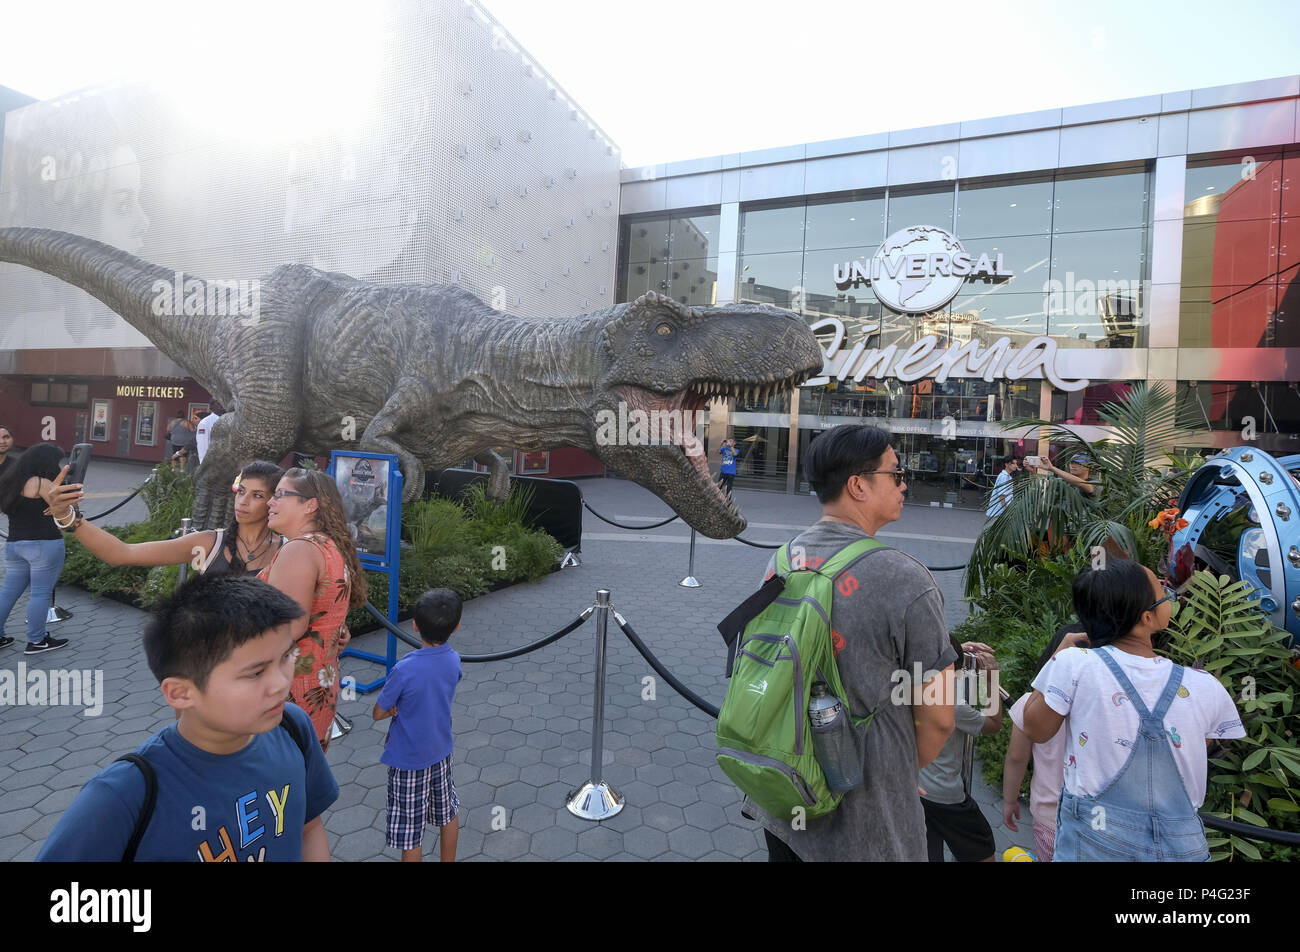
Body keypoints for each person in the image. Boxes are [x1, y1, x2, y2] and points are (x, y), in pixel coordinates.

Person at [747, 424, 956, 862]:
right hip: (866, 824)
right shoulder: (904, 578)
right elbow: (939, 718)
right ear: (858, 485)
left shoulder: (781, 559)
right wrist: (896, 772)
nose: (904, 484)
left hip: (785, 798)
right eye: (896, 474)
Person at [37, 574, 338, 861]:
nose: (281, 684)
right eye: (256, 672)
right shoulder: (124, 795)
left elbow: (309, 829)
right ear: (180, 693)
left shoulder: (292, 728)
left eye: (286, 656)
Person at [1021, 559, 1246, 861]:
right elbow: (1196, 747)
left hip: (1095, 838)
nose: (1169, 593)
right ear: (1146, 618)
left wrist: (1060, 653)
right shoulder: (1203, 686)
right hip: (1180, 845)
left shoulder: (1075, 664)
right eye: (1162, 590)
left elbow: (1035, 728)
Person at [260, 468, 368, 748]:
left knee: (278, 778)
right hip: (318, 683)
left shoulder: (299, 550)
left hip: (289, 688)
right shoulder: (327, 545)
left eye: (280, 495)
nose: (270, 503)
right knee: (301, 775)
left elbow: (288, 628)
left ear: (310, 505)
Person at [41, 460, 286, 578]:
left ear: (273, 501)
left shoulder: (287, 551)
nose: (242, 502)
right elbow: (122, 554)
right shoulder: (209, 543)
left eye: (257, 495)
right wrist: (68, 517)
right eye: (241, 491)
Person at [373, 588, 464, 862]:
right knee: (448, 813)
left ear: (414, 626)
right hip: (441, 751)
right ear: (456, 627)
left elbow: (378, 712)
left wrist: (392, 708)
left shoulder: (404, 668)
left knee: (411, 833)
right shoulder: (454, 660)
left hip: (408, 761)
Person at [1003, 623, 1087, 862]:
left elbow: (1016, 758)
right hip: (1095, 820)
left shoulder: (1030, 704)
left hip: (1049, 815)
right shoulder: (1101, 706)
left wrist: (1009, 800)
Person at [919, 638, 1002, 862]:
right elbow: (994, 724)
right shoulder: (953, 704)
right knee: (982, 849)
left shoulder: (910, 686)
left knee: (928, 851)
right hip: (945, 795)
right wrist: (991, 679)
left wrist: (955, 650)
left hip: (915, 789)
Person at [0, 443, 70, 654]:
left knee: (8, 593)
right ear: (46, 462)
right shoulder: (42, 483)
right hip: (44, 543)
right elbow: (64, 511)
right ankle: (37, 641)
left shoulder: (10, 481)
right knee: (40, 593)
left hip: (14, 544)